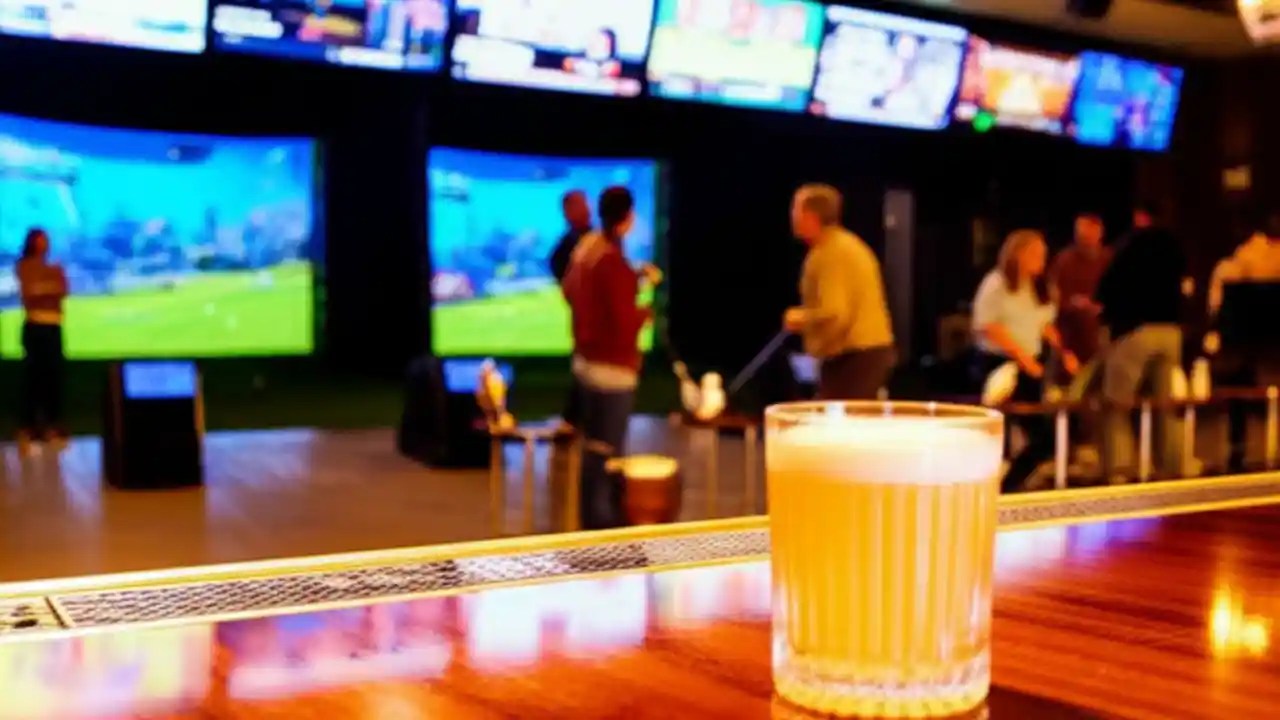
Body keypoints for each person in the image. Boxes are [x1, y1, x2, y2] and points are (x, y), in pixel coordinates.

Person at [562, 186, 653, 529]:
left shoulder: (588, 248)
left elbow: (570, 289)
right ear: (627, 216)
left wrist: (634, 278)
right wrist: (645, 313)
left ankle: (595, 524)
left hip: (585, 363)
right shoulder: (611, 259)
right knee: (605, 452)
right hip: (612, 370)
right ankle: (601, 531)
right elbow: (623, 319)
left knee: (595, 447)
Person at [972, 229, 1078, 493]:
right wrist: (1019, 355)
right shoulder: (997, 283)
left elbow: (1043, 324)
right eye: (1035, 253)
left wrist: (1064, 352)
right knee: (1005, 427)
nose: (1041, 259)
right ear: (1017, 254)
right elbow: (988, 325)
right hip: (999, 363)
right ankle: (1000, 483)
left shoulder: (1040, 287)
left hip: (1030, 363)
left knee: (1045, 435)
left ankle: (1010, 484)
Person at [783, 184, 895, 400]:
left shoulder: (831, 253)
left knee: (835, 427)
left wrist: (800, 318)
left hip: (856, 356)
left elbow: (835, 313)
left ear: (810, 215)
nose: (792, 216)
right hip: (863, 354)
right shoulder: (842, 245)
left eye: (796, 209)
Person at [1095, 225, 1187, 482]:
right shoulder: (1173, 246)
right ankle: (1171, 467)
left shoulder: (1128, 249)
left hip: (1136, 331)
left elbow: (1106, 291)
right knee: (1164, 405)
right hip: (1170, 331)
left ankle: (1120, 469)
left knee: (1117, 405)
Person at [15, 228, 68, 448]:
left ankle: (52, 426)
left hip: (54, 326)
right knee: (34, 378)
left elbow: (62, 289)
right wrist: (49, 286)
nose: (45, 243)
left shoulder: (54, 267)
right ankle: (31, 427)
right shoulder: (24, 266)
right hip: (35, 326)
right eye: (41, 240)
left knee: (53, 377)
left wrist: (46, 286)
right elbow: (31, 292)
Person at [549, 190, 593, 428]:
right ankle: (575, 418)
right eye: (579, 205)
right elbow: (556, 264)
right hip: (587, 313)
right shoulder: (573, 241)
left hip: (595, 312)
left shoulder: (594, 237)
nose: (587, 209)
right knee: (586, 363)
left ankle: (577, 417)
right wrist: (573, 292)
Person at [1049, 213, 1112, 365]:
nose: (1085, 237)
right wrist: (1075, 304)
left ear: (1100, 233)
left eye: (1090, 232)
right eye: (1081, 233)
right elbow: (1055, 296)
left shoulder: (1109, 259)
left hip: (1105, 315)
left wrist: (1102, 306)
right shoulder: (1064, 260)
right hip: (1073, 319)